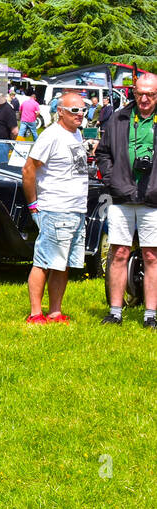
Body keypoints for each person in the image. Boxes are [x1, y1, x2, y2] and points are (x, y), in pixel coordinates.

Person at [97, 73, 157, 327]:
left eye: (150, 94)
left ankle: (150, 315)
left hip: (153, 197)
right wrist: (113, 180)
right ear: (133, 92)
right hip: (122, 196)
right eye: (140, 93)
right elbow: (102, 152)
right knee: (118, 252)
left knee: (152, 255)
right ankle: (115, 312)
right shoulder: (119, 118)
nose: (144, 99)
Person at [23, 93, 89, 324]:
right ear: (60, 111)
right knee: (43, 261)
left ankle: (55, 312)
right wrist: (33, 205)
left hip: (76, 209)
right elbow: (29, 169)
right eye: (74, 110)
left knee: (63, 263)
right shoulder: (51, 135)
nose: (80, 115)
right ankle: (35, 313)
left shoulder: (77, 133)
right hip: (54, 208)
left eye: (84, 110)